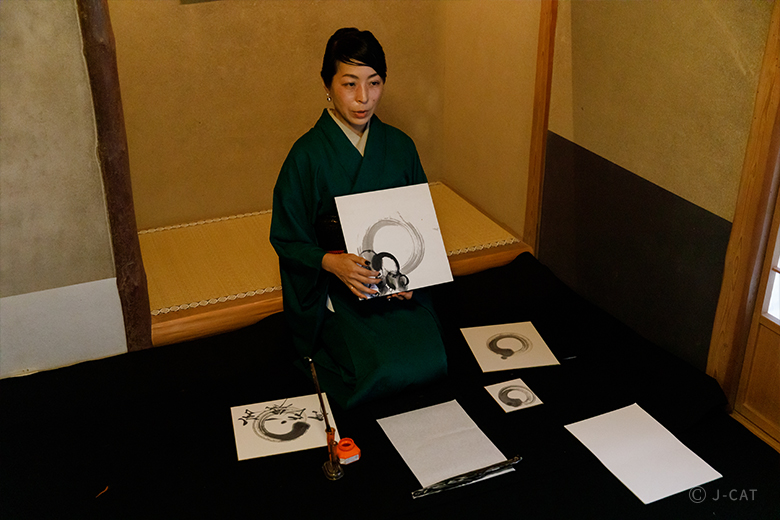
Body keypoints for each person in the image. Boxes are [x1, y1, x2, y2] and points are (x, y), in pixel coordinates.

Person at [270, 28, 447, 409]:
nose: (363, 98)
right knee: (382, 368)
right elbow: (287, 237)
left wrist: (414, 277)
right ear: (328, 85)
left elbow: (420, 221)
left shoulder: (399, 146)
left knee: (434, 360)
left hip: (394, 280)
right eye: (350, 84)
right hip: (338, 284)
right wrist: (332, 264)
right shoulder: (307, 155)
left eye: (374, 83)